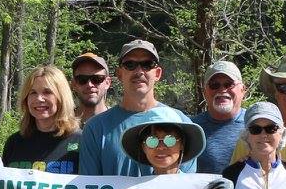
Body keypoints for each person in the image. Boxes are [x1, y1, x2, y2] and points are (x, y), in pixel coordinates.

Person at [78, 40, 197, 176]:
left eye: (147, 64)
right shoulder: (96, 128)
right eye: (130, 65)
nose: (139, 71)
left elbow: (187, 188)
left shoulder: (182, 123)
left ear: (157, 73)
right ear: (119, 73)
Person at [2, 65, 81, 173]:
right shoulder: (14, 143)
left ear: (61, 97)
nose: (39, 98)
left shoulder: (81, 141)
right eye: (33, 93)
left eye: (47, 92)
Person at [191, 61, 248, 172]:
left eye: (229, 84)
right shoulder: (191, 128)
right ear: (204, 92)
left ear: (242, 90)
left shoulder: (259, 125)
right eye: (214, 85)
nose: (222, 90)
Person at [70, 52, 112, 123]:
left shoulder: (118, 123)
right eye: (82, 79)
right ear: (74, 84)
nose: (89, 84)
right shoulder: (61, 125)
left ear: (107, 83)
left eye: (97, 79)